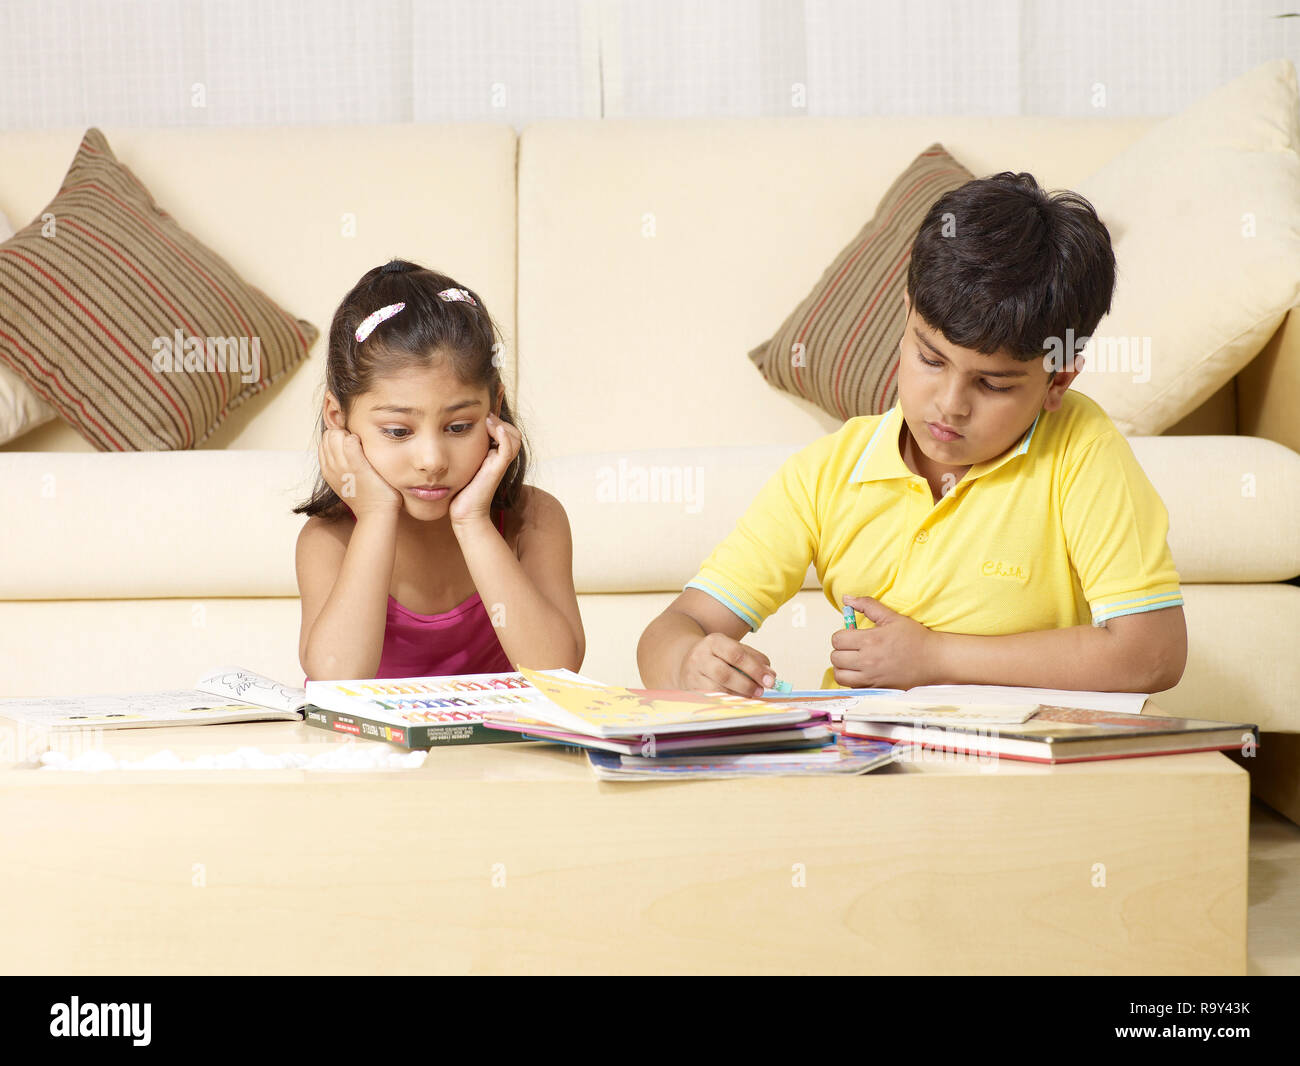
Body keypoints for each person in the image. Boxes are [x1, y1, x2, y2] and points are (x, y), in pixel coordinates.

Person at [638, 172, 1187, 697]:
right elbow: (675, 626)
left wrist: (934, 658)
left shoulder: (1079, 448)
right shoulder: (828, 474)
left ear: (1058, 377)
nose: (950, 405)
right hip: (864, 764)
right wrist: (691, 663)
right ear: (907, 315)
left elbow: (1153, 653)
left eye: (993, 384)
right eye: (930, 358)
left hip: (1012, 771)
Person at [294, 259, 584, 681]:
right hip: (371, 749)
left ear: (494, 408)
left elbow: (557, 672)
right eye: (397, 431)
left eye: (459, 427)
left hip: (497, 748)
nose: (432, 460)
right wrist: (376, 516)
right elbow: (337, 678)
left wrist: (473, 521)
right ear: (338, 419)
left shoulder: (534, 521)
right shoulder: (328, 541)